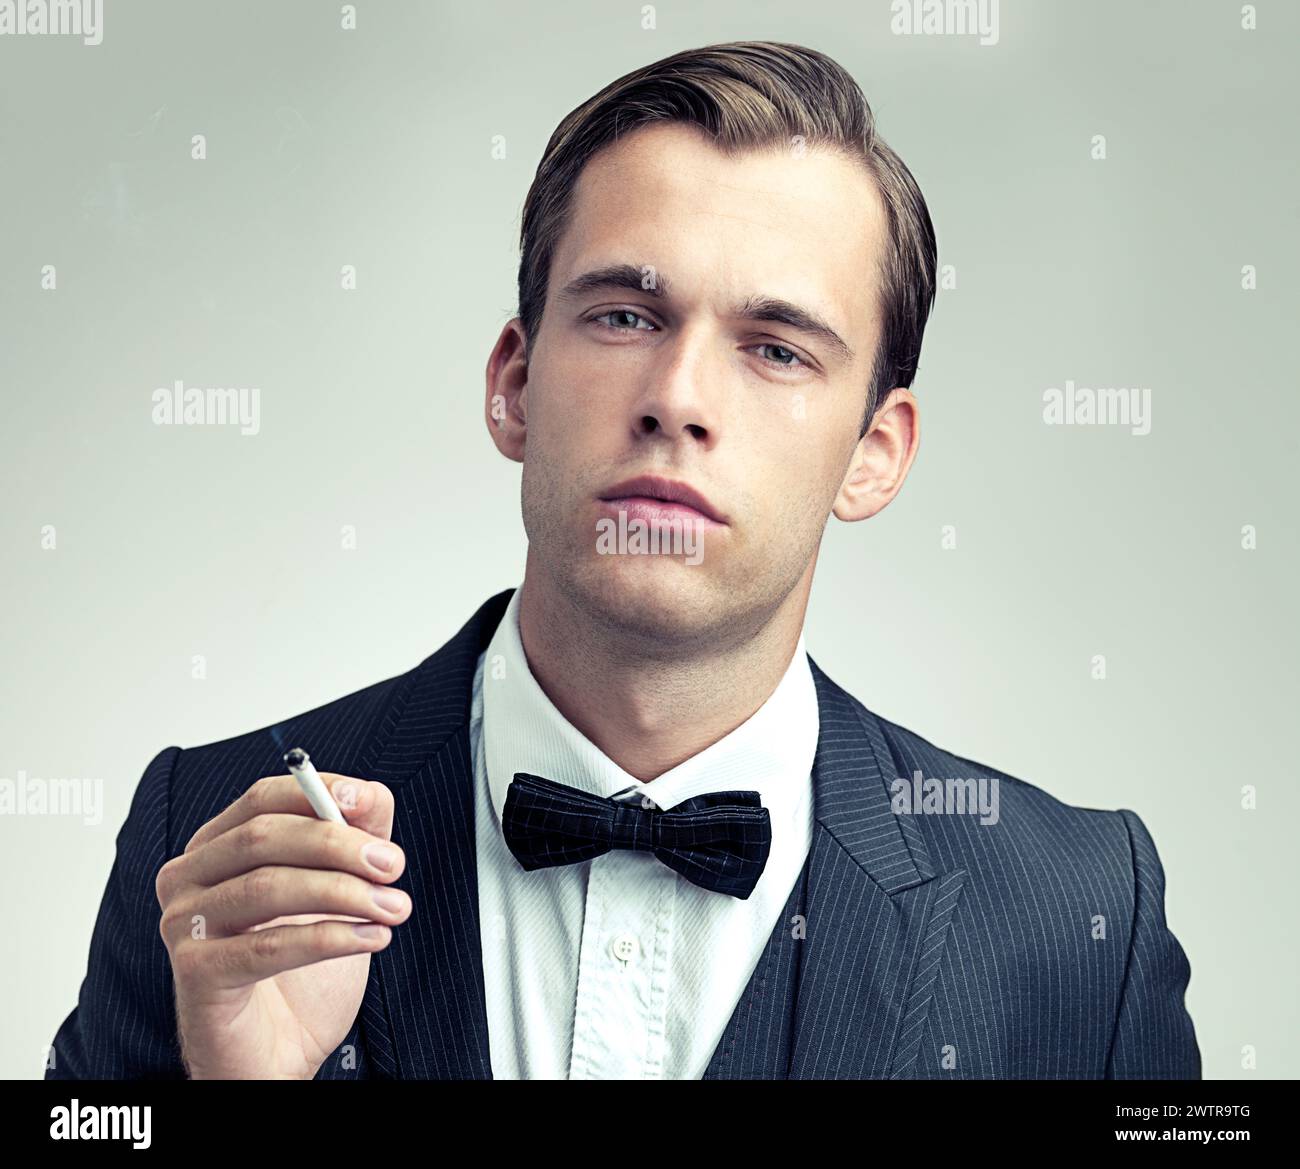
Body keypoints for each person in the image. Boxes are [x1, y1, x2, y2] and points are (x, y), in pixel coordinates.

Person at [45, 41, 1199, 1080]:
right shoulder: (205, 839)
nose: (679, 398)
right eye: (624, 317)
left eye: (776, 348)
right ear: (513, 382)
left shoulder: (1079, 920)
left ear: (874, 453)